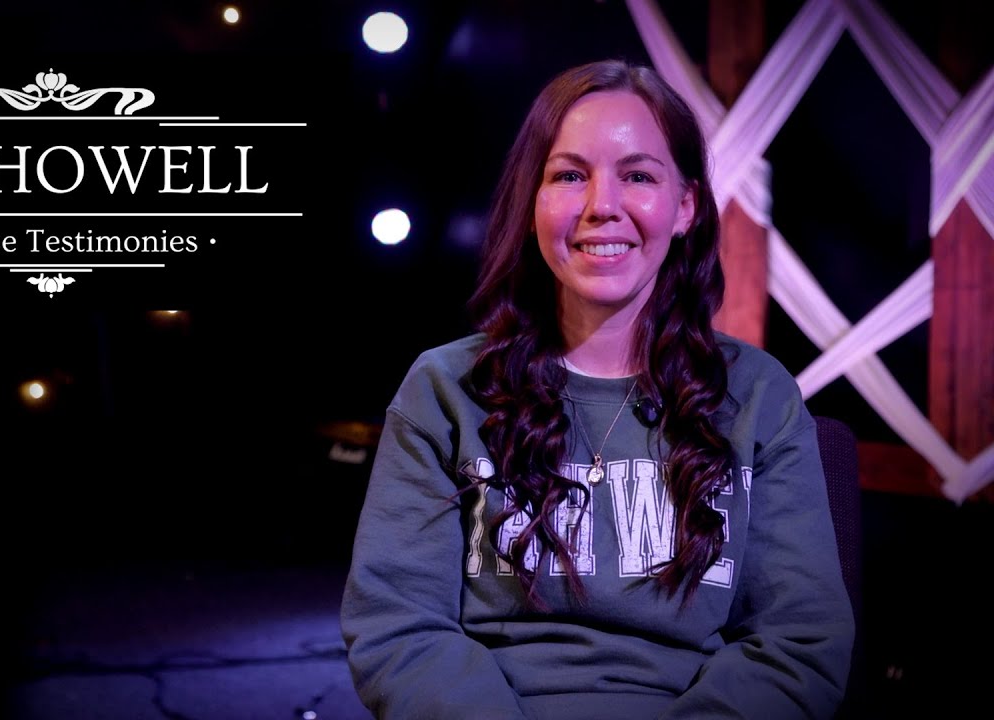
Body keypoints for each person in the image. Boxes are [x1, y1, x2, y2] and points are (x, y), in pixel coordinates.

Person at [340, 60, 854, 719]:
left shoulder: (759, 396)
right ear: (533, 203)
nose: (601, 205)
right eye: (569, 175)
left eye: (638, 176)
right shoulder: (444, 390)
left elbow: (798, 642)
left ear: (686, 206)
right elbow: (398, 627)